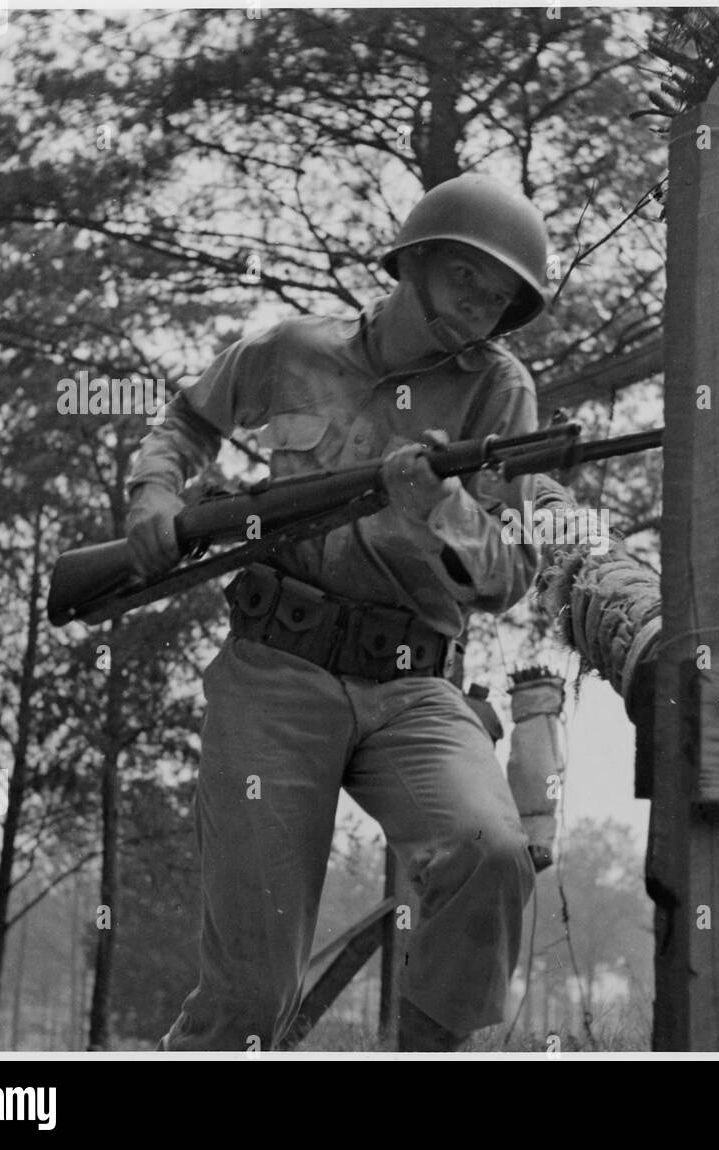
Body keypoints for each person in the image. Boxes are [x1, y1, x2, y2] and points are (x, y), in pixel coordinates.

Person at [126, 174, 549, 1052]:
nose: (479, 306)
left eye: (499, 297)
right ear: (417, 259)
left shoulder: (501, 395)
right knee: (251, 991)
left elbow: (511, 572)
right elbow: (185, 420)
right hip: (276, 673)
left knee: (492, 853)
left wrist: (443, 506)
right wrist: (157, 493)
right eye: (467, 278)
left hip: (415, 686)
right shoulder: (292, 350)